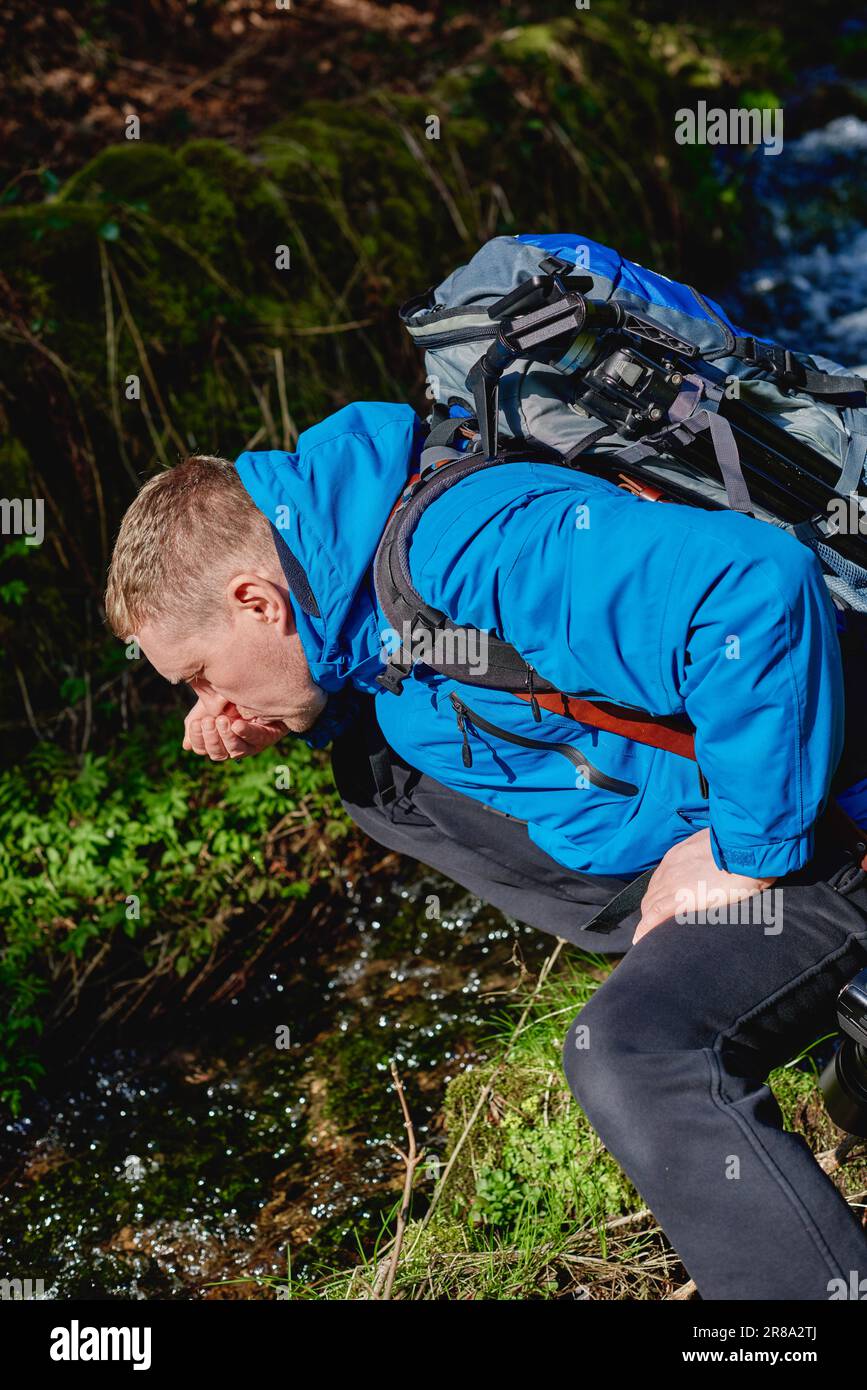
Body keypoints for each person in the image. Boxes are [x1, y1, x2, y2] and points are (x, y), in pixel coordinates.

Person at [105, 399, 867, 1300]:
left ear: (255, 601)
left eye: (196, 674)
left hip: (828, 831)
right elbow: (438, 713)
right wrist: (292, 710)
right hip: (787, 835)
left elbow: (753, 586)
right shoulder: (361, 613)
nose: (204, 704)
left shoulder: (467, 547)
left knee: (635, 1052)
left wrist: (746, 847)